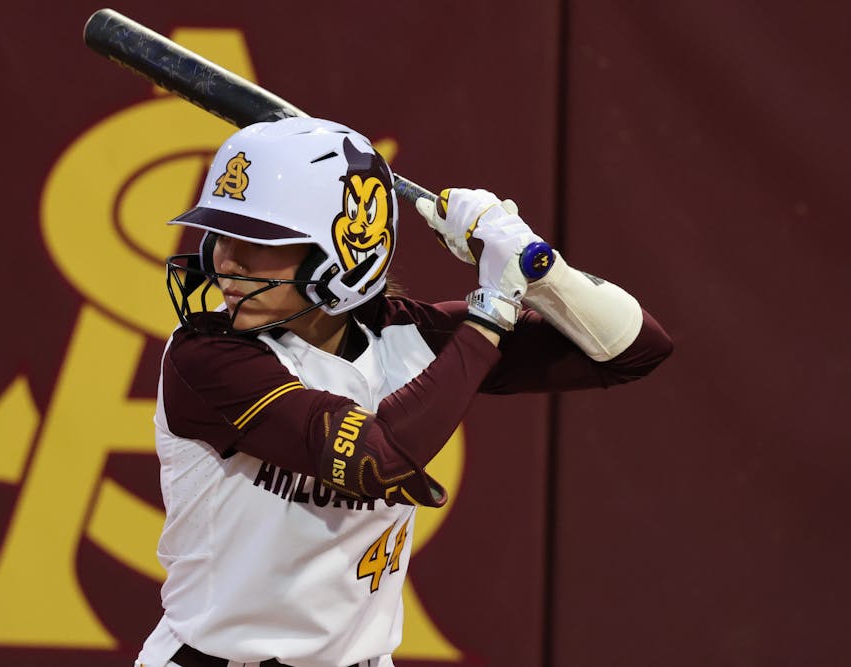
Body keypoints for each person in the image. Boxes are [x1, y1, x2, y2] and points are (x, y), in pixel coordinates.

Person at [136, 117, 672, 667]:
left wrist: (536, 265)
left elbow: (636, 350)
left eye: (260, 241)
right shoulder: (205, 357)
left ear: (344, 252)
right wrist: (493, 310)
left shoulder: (407, 334)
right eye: (220, 235)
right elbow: (377, 460)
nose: (225, 261)